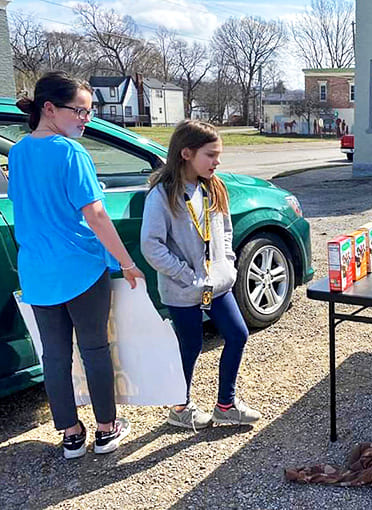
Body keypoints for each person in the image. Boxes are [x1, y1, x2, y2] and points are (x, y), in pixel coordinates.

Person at [8, 71, 143, 459]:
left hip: (37, 269)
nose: (87, 118)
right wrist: (127, 262)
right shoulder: (71, 152)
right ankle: (105, 429)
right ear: (49, 109)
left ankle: (70, 435)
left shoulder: (16, 152)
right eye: (79, 111)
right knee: (95, 349)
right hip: (80, 266)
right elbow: (97, 215)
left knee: (54, 356)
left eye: (90, 111)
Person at [140, 120, 261, 430]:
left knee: (237, 334)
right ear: (186, 153)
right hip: (183, 289)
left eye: (218, 155)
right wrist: (186, 275)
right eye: (211, 155)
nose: (217, 162)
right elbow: (151, 247)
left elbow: (225, 231)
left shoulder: (214, 186)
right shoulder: (161, 195)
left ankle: (226, 405)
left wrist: (228, 265)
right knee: (190, 346)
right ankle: (180, 408)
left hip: (218, 284)